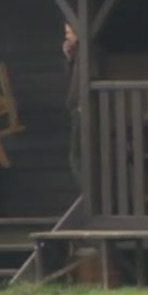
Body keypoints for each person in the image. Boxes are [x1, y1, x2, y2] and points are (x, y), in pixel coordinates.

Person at [62, 22, 81, 187]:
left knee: (76, 156)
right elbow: (70, 80)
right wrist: (69, 58)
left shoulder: (87, 54)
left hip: (82, 109)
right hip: (76, 108)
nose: (66, 36)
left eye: (69, 32)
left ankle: (87, 190)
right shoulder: (77, 55)